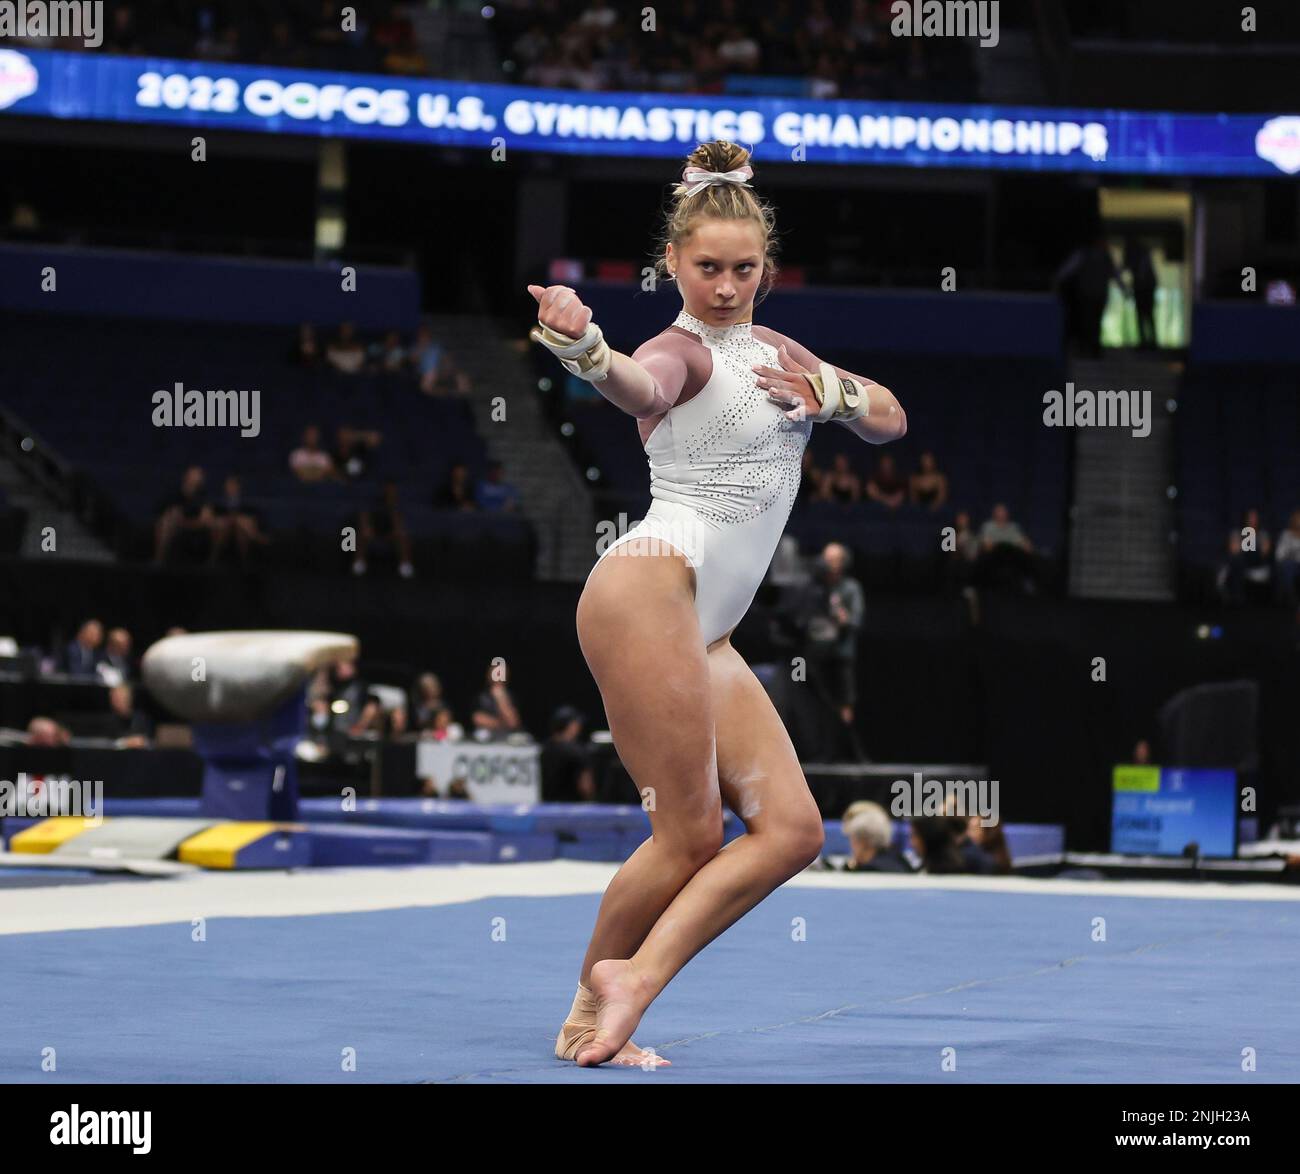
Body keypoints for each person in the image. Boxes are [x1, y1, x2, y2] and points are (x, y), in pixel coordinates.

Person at [528, 141, 906, 1067]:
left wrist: (837, 393)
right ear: (674, 266)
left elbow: (891, 418)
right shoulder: (680, 351)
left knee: (792, 832)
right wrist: (587, 349)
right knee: (689, 832)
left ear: (766, 268)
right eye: (709, 269)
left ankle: (631, 980)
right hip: (651, 586)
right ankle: (594, 1004)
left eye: (745, 269)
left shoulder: (778, 350)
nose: (729, 286)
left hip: (710, 627)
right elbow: (639, 387)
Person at [794, 541, 866, 760]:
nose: (828, 563)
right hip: (817, 656)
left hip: (841, 655)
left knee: (845, 707)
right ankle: (821, 754)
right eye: (826, 558)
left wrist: (843, 619)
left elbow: (856, 620)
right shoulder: (815, 588)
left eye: (833, 558)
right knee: (819, 706)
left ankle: (852, 755)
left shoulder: (850, 588)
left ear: (843, 563)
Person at [154, 465, 218, 564]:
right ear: (187, 476)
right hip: (175, 526)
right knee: (166, 522)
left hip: (195, 527)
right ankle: (159, 560)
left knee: (214, 524)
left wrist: (184, 522)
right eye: (195, 474)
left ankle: (212, 563)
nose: (199, 477)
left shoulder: (204, 495)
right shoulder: (174, 494)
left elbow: (206, 519)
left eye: (200, 475)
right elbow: (167, 515)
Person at [353, 481, 415, 578]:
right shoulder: (374, 504)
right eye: (389, 491)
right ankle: (359, 563)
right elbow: (364, 518)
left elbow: (398, 524)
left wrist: (396, 531)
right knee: (360, 534)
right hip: (373, 530)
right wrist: (367, 528)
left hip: (390, 532)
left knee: (403, 536)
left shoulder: (396, 506)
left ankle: (405, 565)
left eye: (393, 491)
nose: (391, 493)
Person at [211, 474, 270, 567]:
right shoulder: (219, 501)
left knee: (240, 529)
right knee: (229, 524)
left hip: (241, 528)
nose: (231, 487)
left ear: (238, 487)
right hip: (223, 528)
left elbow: (252, 516)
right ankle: (255, 536)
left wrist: (236, 518)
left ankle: (244, 563)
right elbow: (216, 516)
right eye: (229, 485)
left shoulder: (246, 501)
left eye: (233, 485)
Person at [540, 706, 596, 802]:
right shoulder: (576, 751)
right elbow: (586, 786)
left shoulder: (542, 749)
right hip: (571, 810)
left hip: (545, 808)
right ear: (572, 725)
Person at [840, 803, 912, 872]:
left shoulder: (868, 871)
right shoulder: (902, 862)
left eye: (852, 839)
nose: (851, 845)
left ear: (863, 841)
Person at [471, 660, 523, 736]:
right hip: (485, 737)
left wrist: (501, 699)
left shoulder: (512, 696)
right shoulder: (481, 696)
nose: (498, 676)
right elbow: (477, 719)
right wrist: (503, 723)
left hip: (508, 738)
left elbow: (513, 722)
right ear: (489, 675)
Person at [1275, 509, 1300, 605]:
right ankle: (1290, 598)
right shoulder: (1286, 535)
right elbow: (1279, 555)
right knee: (1288, 565)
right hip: (1290, 565)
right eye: (1298, 519)